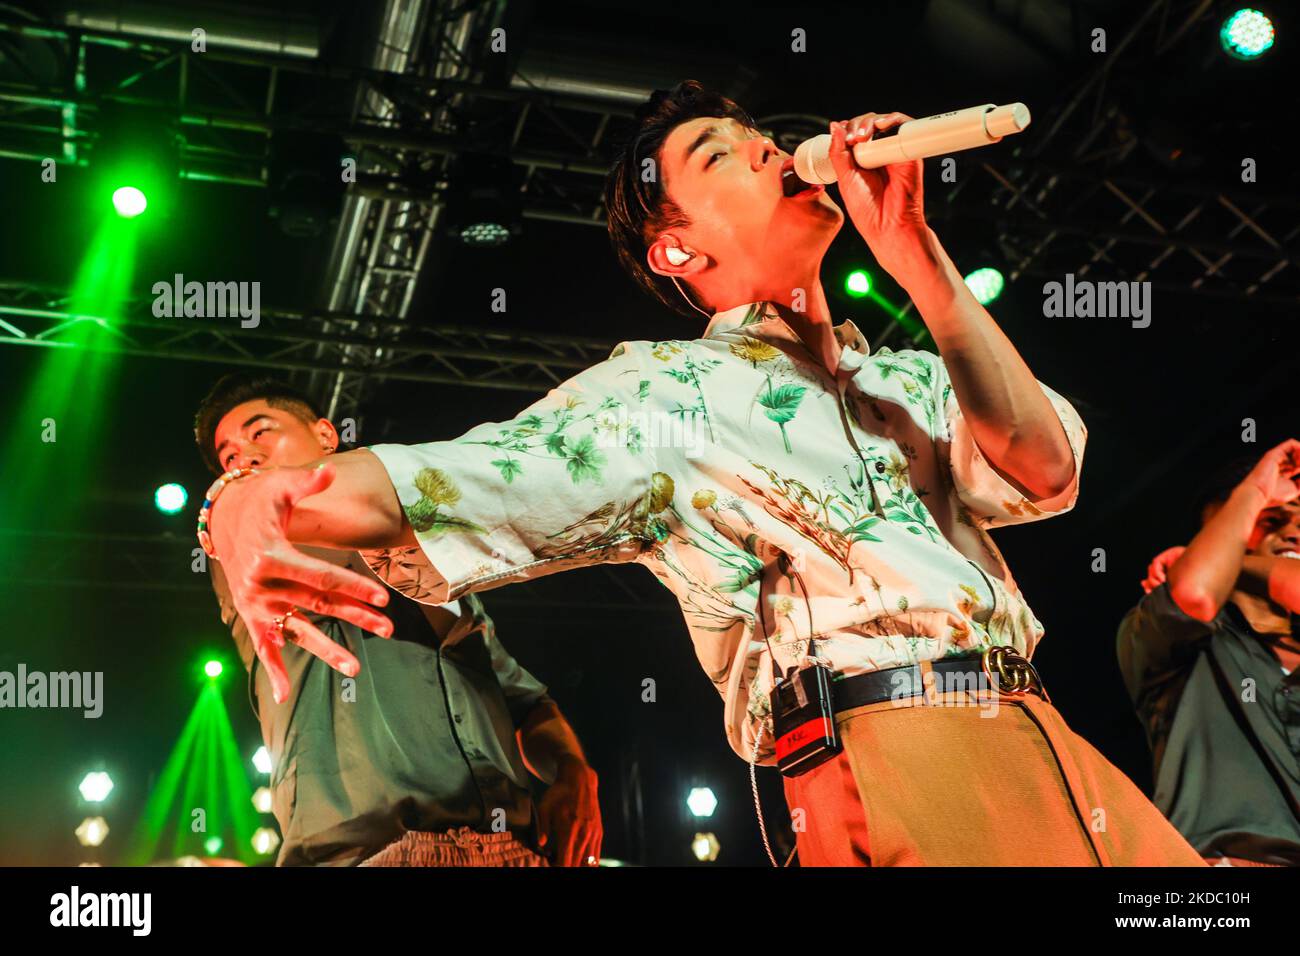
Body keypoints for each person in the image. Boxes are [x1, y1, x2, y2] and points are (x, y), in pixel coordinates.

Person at [198, 81, 1203, 865]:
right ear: (676, 246)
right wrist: (250, 501)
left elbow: (1044, 463)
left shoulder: (905, 376)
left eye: (760, 133)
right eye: (720, 153)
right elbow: (466, 475)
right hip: (894, 743)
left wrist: (918, 256)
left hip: (1046, 728)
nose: (769, 148)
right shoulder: (665, 399)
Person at [194, 373, 602, 867]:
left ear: (326, 434)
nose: (244, 456)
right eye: (229, 456)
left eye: (260, 433)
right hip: (363, 855)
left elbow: (525, 701)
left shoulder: (441, 567)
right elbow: (238, 514)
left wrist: (574, 772)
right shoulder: (253, 554)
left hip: (515, 851)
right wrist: (225, 501)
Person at [1119, 439, 1300, 866]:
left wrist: (1239, 562)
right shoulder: (1171, 639)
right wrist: (1254, 491)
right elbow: (1195, 593)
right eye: (1270, 517)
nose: (1292, 531)